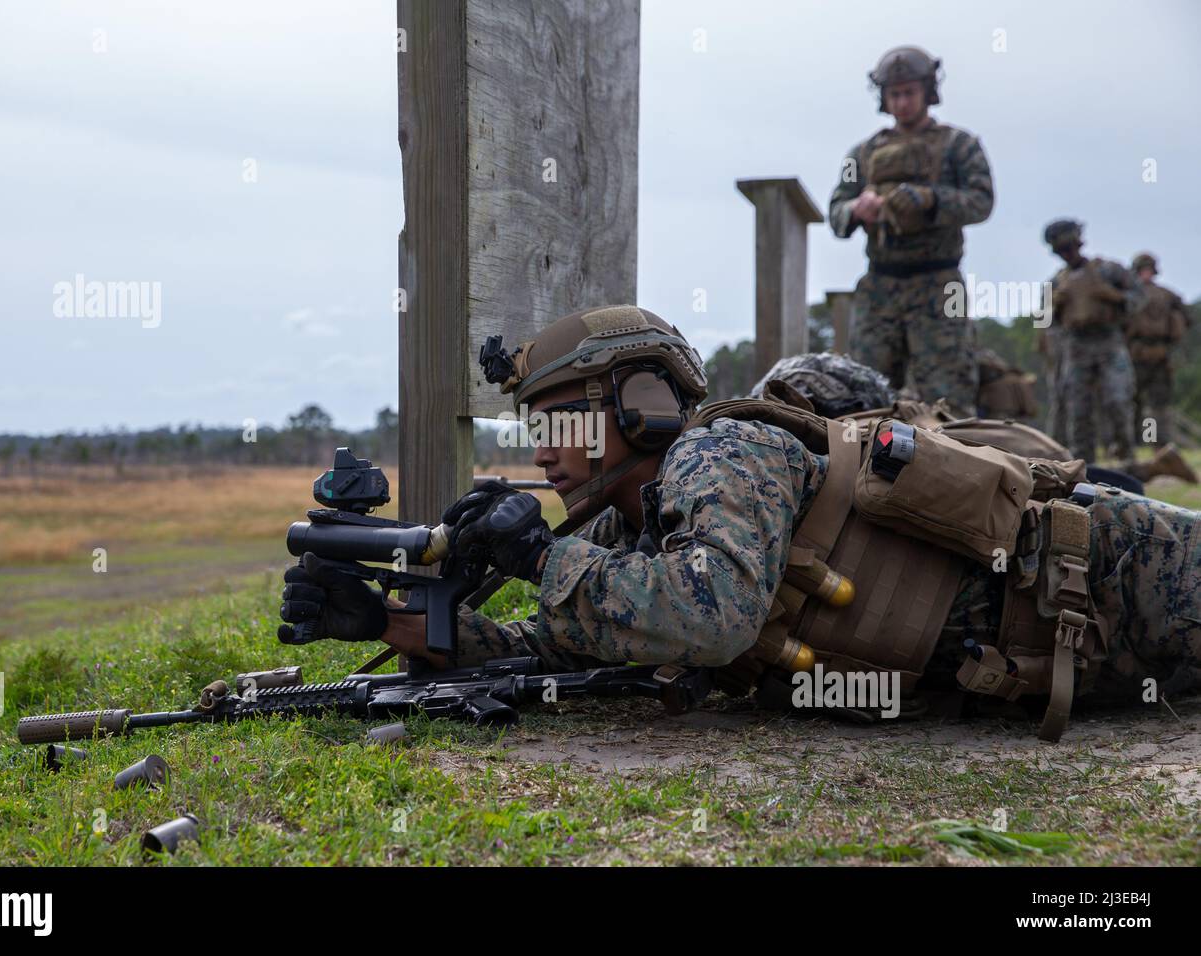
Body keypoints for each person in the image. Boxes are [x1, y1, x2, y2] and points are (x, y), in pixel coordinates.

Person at [280, 306, 1200, 742]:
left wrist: (536, 553)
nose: (547, 455)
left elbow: (711, 613)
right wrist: (393, 624)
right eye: (535, 431)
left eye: (561, 423)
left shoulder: (721, 456)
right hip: (1052, 655)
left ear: (638, 405)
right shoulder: (622, 529)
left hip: (1115, 574)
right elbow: (565, 640)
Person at [828, 45, 993, 411]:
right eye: (894, 94)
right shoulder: (863, 153)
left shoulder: (958, 146)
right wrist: (857, 209)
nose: (902, 102)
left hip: (938, 284)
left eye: (909, 93)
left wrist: (932, 199)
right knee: (864, 397)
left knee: (949, 399)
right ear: (884, 97)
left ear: (928, 92)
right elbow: (836, 212)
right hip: (880, 289)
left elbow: (982, 202)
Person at [752, 351, 1196, 487]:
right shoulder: (884, 416)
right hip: (1028, 452)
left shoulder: (871, 433)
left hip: (1034, 464)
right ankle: (1151, 468)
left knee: (1082, 482)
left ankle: (1149, 469)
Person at [1043, 219, 1142, 463]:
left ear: (1079, 243)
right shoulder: (1056, 282)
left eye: (1070, 247)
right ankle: (1083, 464)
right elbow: (1044, 322)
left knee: (1118, 400)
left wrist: (1113, 296)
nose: (1067, 254)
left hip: (1109, 341)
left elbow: (1139, 297)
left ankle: (1127, 457)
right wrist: (1055, 304)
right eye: (1062, 250)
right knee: (1078, 409)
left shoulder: (1108, 270)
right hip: (1075, 345)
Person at [1127, 252, 1191, 445]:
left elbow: (1186, 319)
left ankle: (1155, 442)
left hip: (1158, 355)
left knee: (1157, 405)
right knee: (1135, 403)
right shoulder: (1135, 295)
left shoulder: (1165, 295)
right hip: (1137, 354)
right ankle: (1139, 442)